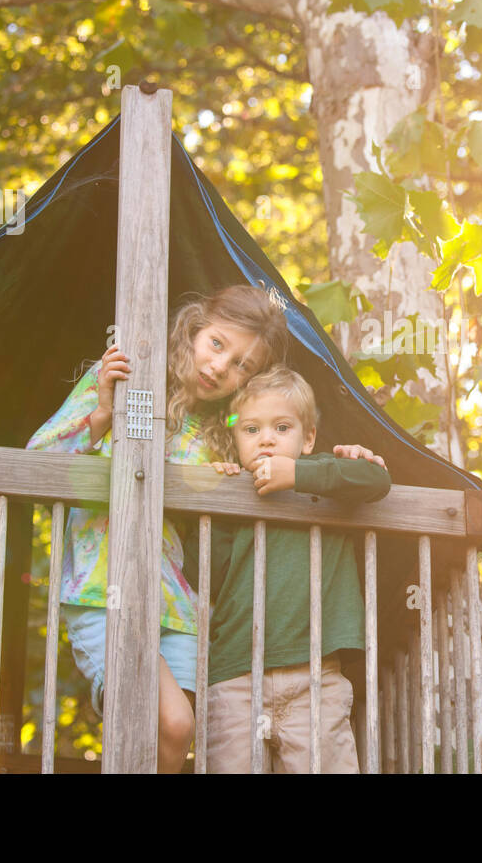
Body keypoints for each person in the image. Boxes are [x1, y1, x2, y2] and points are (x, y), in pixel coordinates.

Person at [25, 285, 382, 772]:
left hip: (178, 602)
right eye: (217, 345)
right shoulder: (125, 382)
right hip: (103, 585)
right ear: (193, 327)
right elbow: (35, 467)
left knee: (171, 736)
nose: (221, 368)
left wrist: (228, 485)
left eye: (242, 366)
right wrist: (103, 415)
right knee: (169, 723)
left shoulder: (228, 429)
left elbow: (279, 448)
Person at [189, 364, 390, 773]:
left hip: (316, 677)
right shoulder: (231, 492)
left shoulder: (325, 483)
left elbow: (376, 481)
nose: (266, 439)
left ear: (308, 437)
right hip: (234, 676)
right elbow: (201, 570)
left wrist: (298, 473)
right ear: (236, 440)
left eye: (282, 428)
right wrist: (213, 497)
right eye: (251, 430)